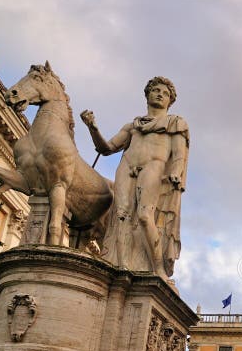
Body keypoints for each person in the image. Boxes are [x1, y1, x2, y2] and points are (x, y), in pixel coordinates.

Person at [81, 77, 189, 280]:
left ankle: (158, 268)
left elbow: (179, 155)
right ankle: (120, 267)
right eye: (155, 90)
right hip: (126, 167)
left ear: (170, 100)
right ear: (147, 95)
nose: (159, 94)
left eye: (165, 93)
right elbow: (106, 148)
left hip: (153, 167)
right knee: (121, 215)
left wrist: (175, 171)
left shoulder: (175, 123)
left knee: (144, 216)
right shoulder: (132, 126)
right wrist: (92, 127)